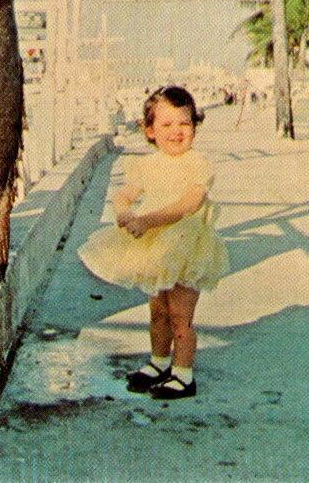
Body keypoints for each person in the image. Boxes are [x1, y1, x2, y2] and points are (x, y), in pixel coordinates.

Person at [78, 85, 228, 400]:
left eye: (184, 124)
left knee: (180, 315)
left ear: (195, 127)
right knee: (157, 310)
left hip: (188, 249)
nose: (176, 132)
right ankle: (159, 362)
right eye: (166, 125)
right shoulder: (147, 165)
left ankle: (183, 374)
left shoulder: (197, 164)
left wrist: (147, 220)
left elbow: (190, 203)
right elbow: (124, 194)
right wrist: (123, 212)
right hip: (156, 249)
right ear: (150, 131)